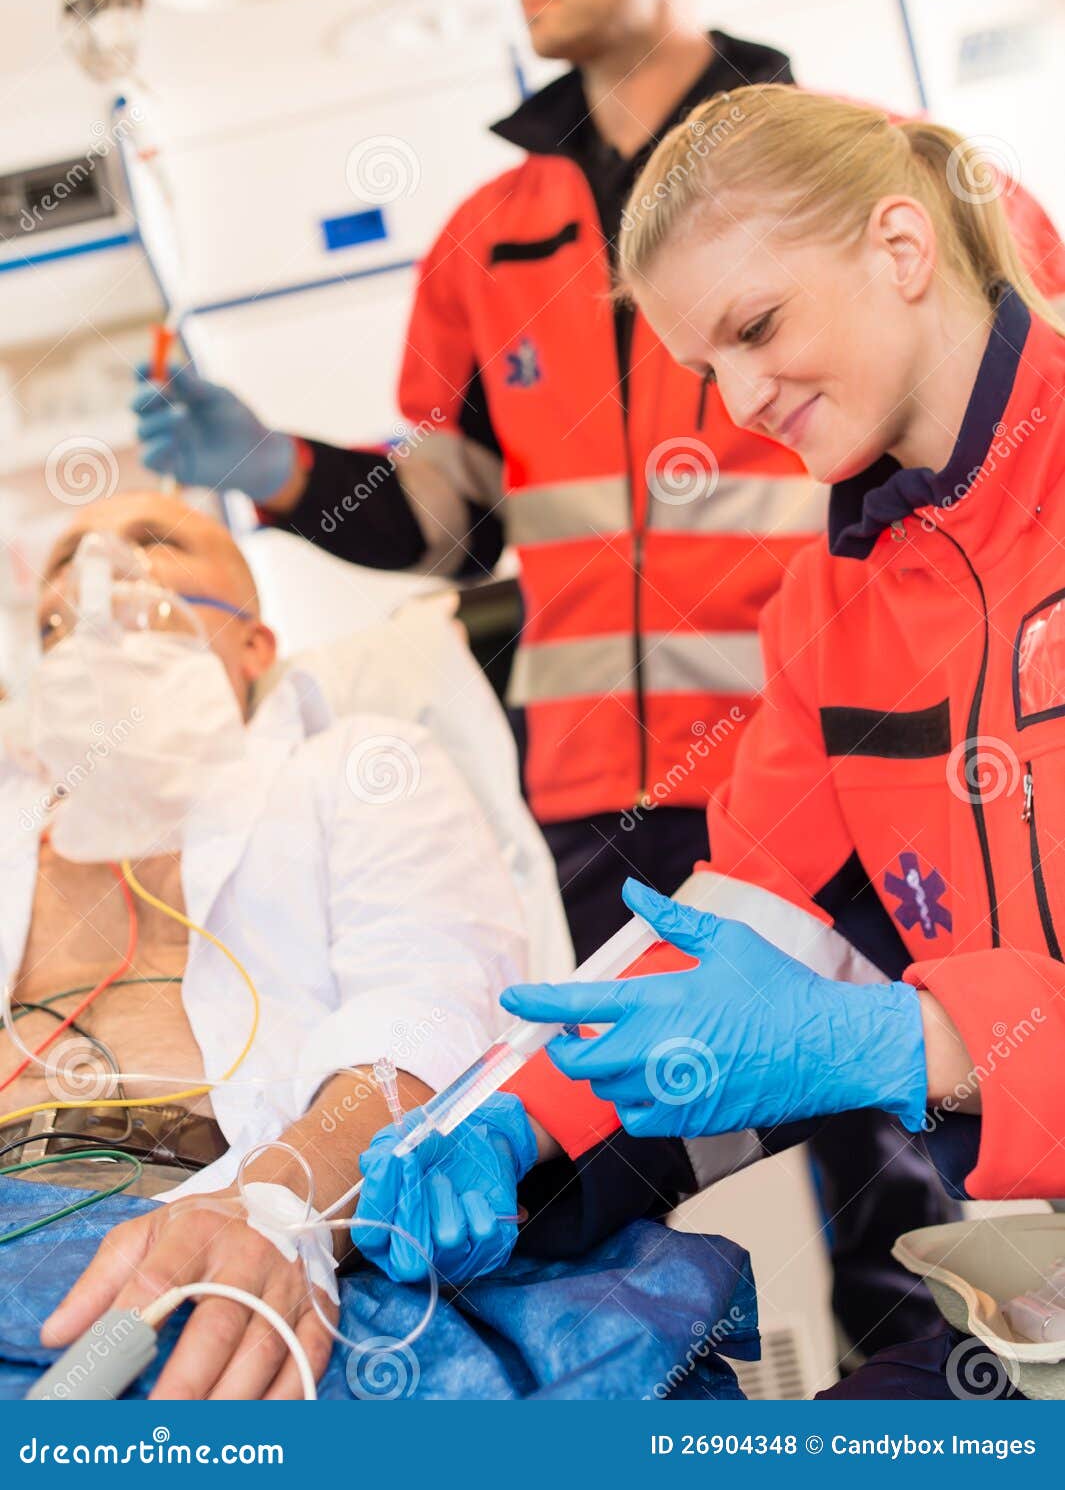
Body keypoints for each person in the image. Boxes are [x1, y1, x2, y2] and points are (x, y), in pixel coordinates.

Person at [416, 84, 1065, 1396]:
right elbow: (743, 915)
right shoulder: (834, 608)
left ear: (901, 247)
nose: (741, 400)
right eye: (706, 365)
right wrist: (495, 1125)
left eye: (757, 328)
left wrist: (908, 1041)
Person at [0, 490, 530, 1399]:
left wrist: (280, 1204)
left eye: (155, 541)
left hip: (210, 1209)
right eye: (66, 565)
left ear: (256, 647)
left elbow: (423, 1009)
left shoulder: (353, 769)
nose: (100, 568)